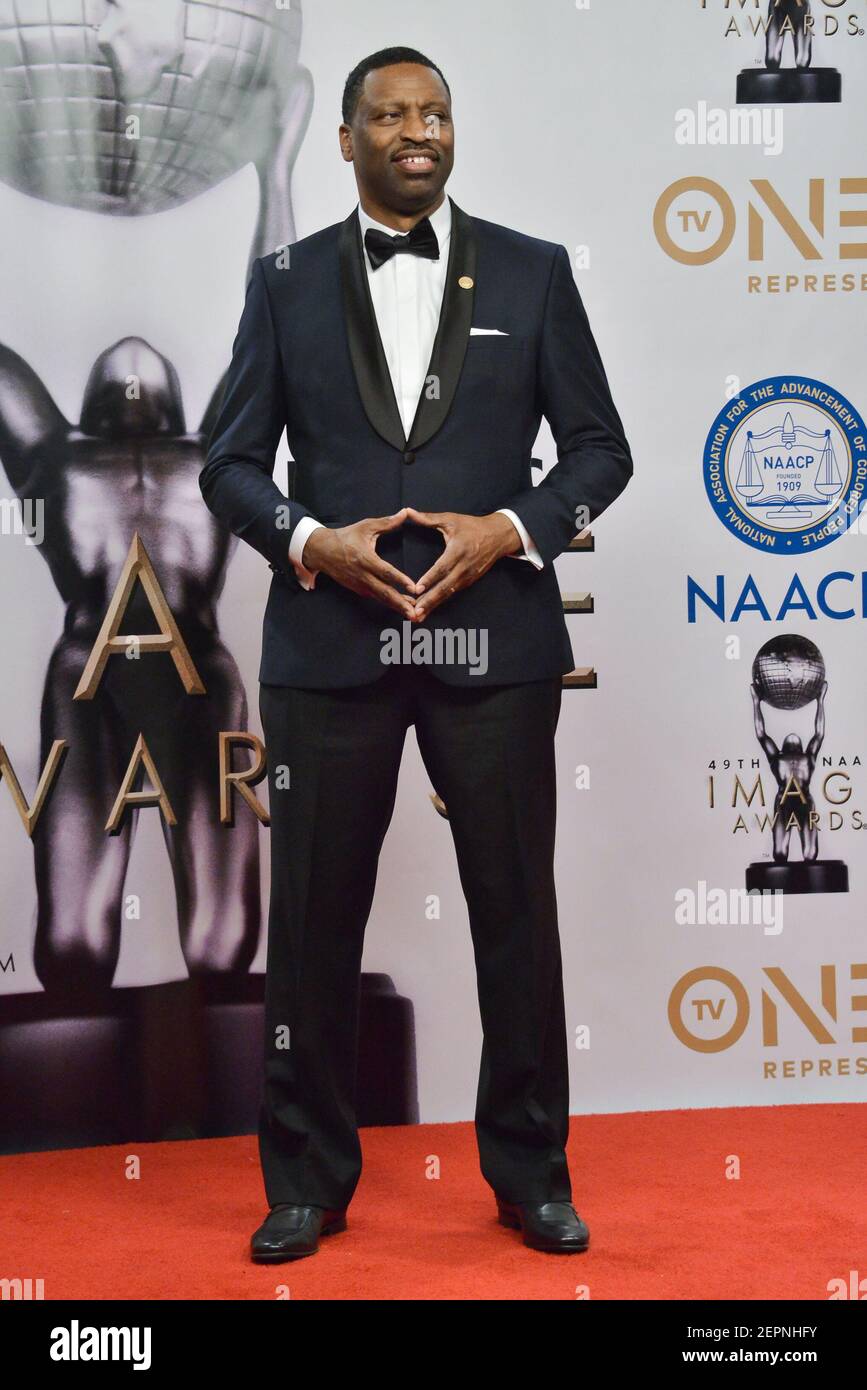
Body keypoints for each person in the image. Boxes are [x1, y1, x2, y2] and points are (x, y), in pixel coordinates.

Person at [200, 45, 633, 1262]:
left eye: (433, 112)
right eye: (389, 114)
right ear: (347, 141)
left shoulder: (537, 274)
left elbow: (601, 451)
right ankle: (305, 1182)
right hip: (328, 648)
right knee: (312, 931)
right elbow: (229, 466)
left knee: (515, 912)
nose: (415, 130)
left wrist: (511, 528)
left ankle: (532, 1171)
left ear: (453, 133)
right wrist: (307, 540)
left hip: (492, 646)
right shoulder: (283, 283)